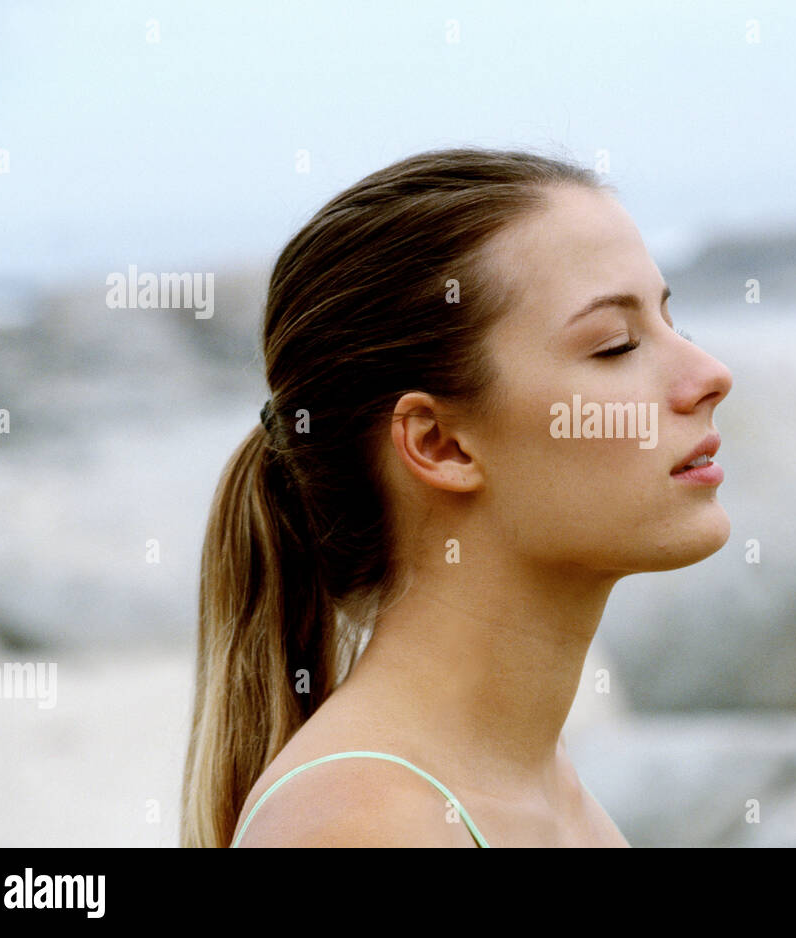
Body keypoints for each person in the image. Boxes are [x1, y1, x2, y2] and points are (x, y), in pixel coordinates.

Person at [180, 147, 733, 847]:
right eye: (616, 345)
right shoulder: (363, 824)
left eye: (668, 322)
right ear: (440, 444)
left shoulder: (539, 790)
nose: (710, 374)